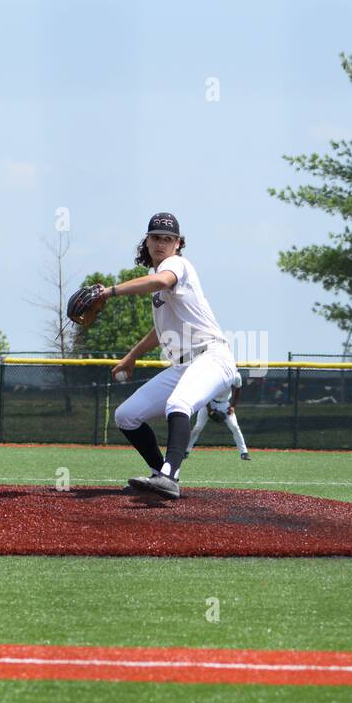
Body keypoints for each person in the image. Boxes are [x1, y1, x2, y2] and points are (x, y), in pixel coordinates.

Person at [99, 212, 238, 500]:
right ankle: (158, 473)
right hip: (184, 365)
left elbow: (161, 281)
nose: (161, 243)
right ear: (147, 242)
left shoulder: (177, 266)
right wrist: (132, 356)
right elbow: (160, 330)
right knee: (126, 415)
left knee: (179, 402)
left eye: (168, 238)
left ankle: (170, 476)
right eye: (155, 237)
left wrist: (110, 292)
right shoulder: (160, 283)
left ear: (178, 244)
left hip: (212, 356)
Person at [185, 372, 250, 459]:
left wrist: (233, 406)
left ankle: (244, 453)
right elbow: (205, 392)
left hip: (224, 404)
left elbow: (238, 389)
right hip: (209, 402)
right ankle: (186, 451)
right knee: (198, 428)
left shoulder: (235, 375)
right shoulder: (213, 373)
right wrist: (209, 410)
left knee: (235, 426)